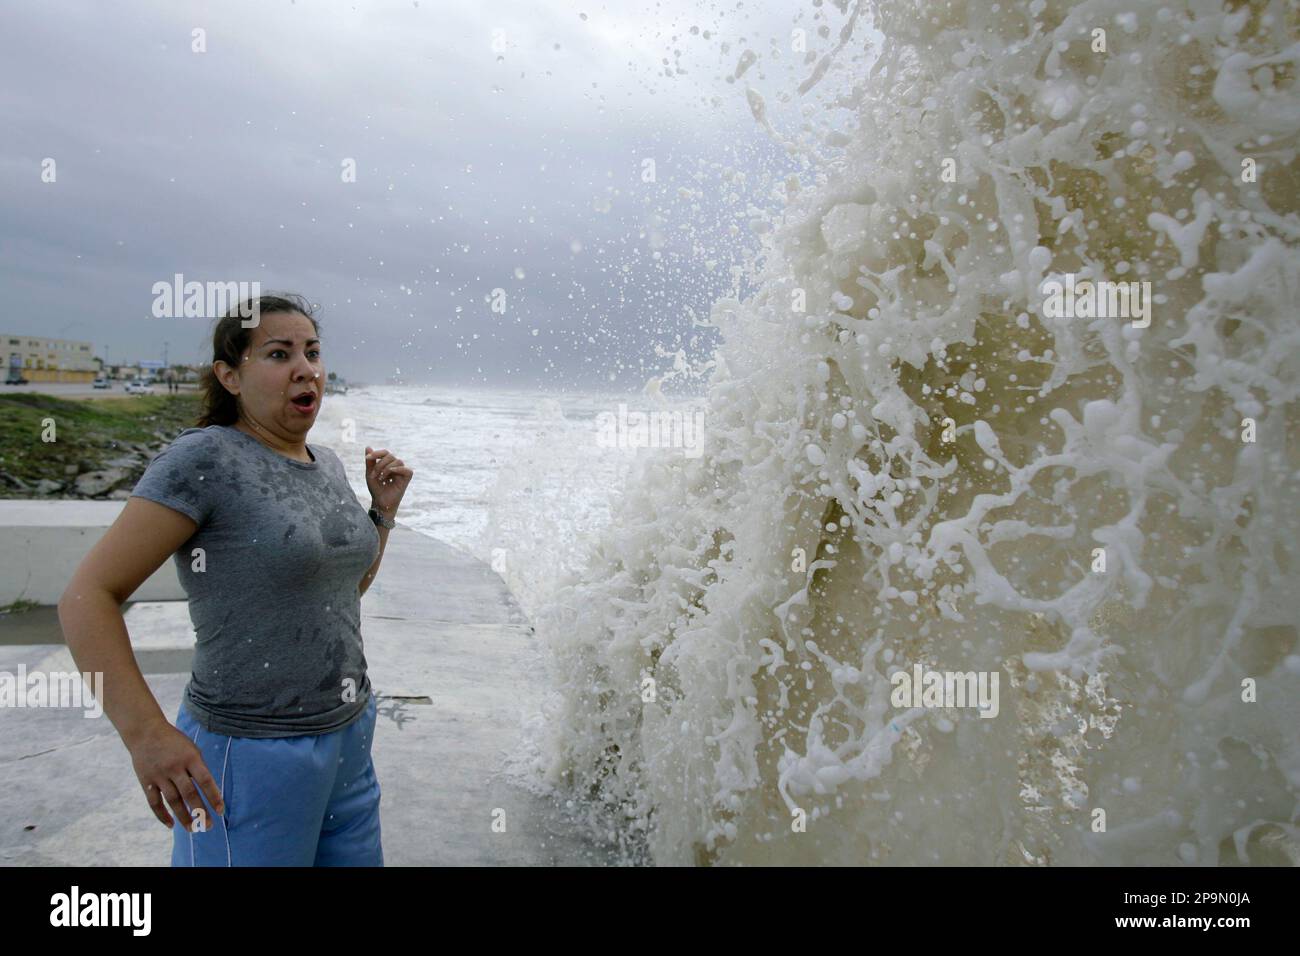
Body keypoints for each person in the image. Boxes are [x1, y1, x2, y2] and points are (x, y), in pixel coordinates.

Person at [58, 293, 413, 866]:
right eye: (278, 353)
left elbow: (338, 594)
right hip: (248, 752)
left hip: (349, 734)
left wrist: (382, 514)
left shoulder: (328, 465)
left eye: (313, 352)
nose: (306, 369)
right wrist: (145, 735)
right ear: (229, 375)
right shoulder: (206, 460)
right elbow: (86, 597)